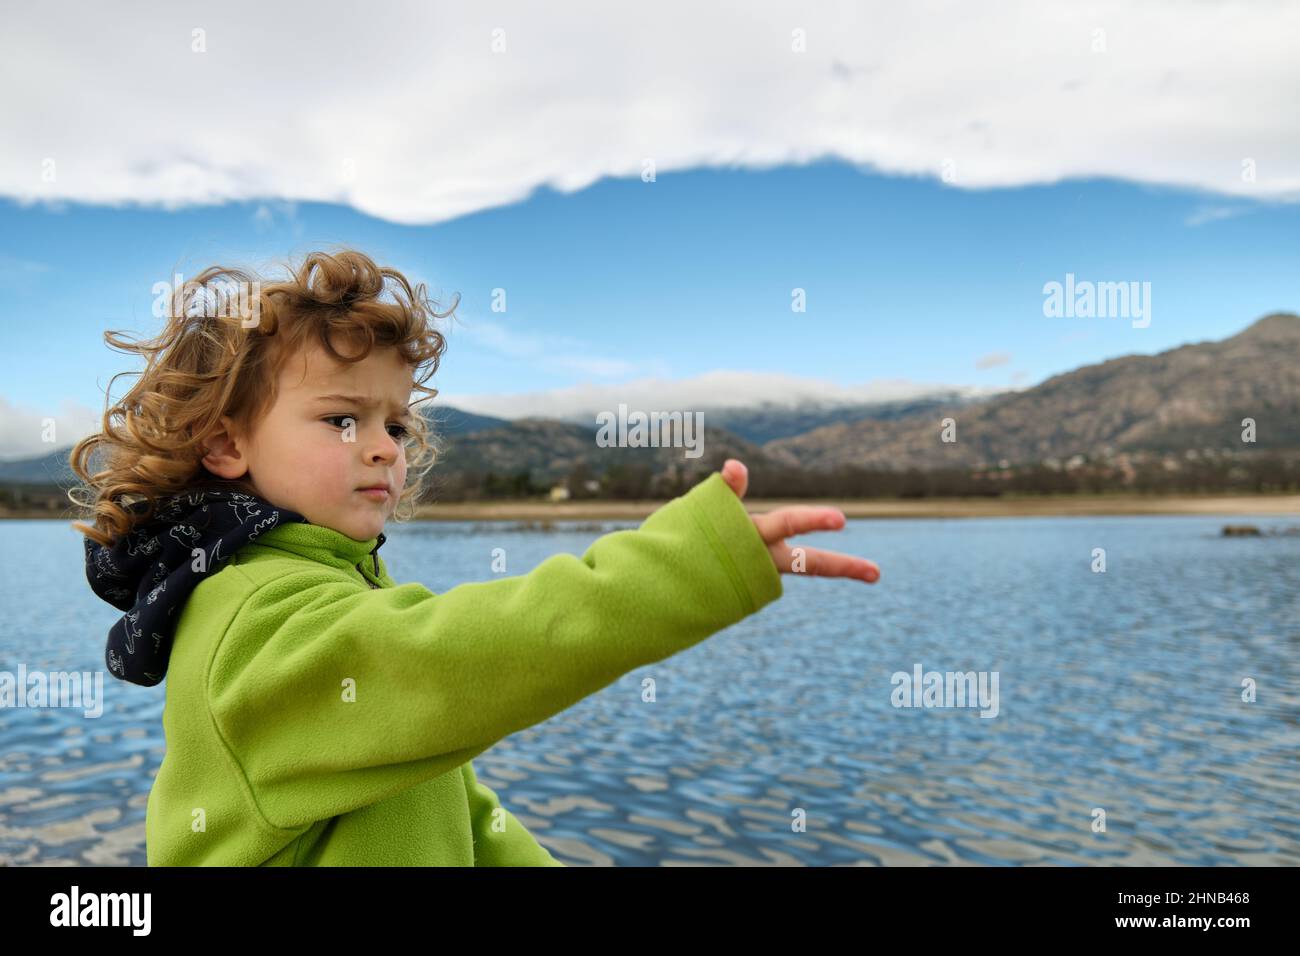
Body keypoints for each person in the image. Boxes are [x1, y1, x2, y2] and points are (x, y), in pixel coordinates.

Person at [70, 249, 880, 866]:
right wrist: (692, 565)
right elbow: (467, 652)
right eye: (343, 420)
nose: (385, 448)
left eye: (395, 424)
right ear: (224, 441)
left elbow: (460, 808)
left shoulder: (331, 583)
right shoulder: (255, 619)